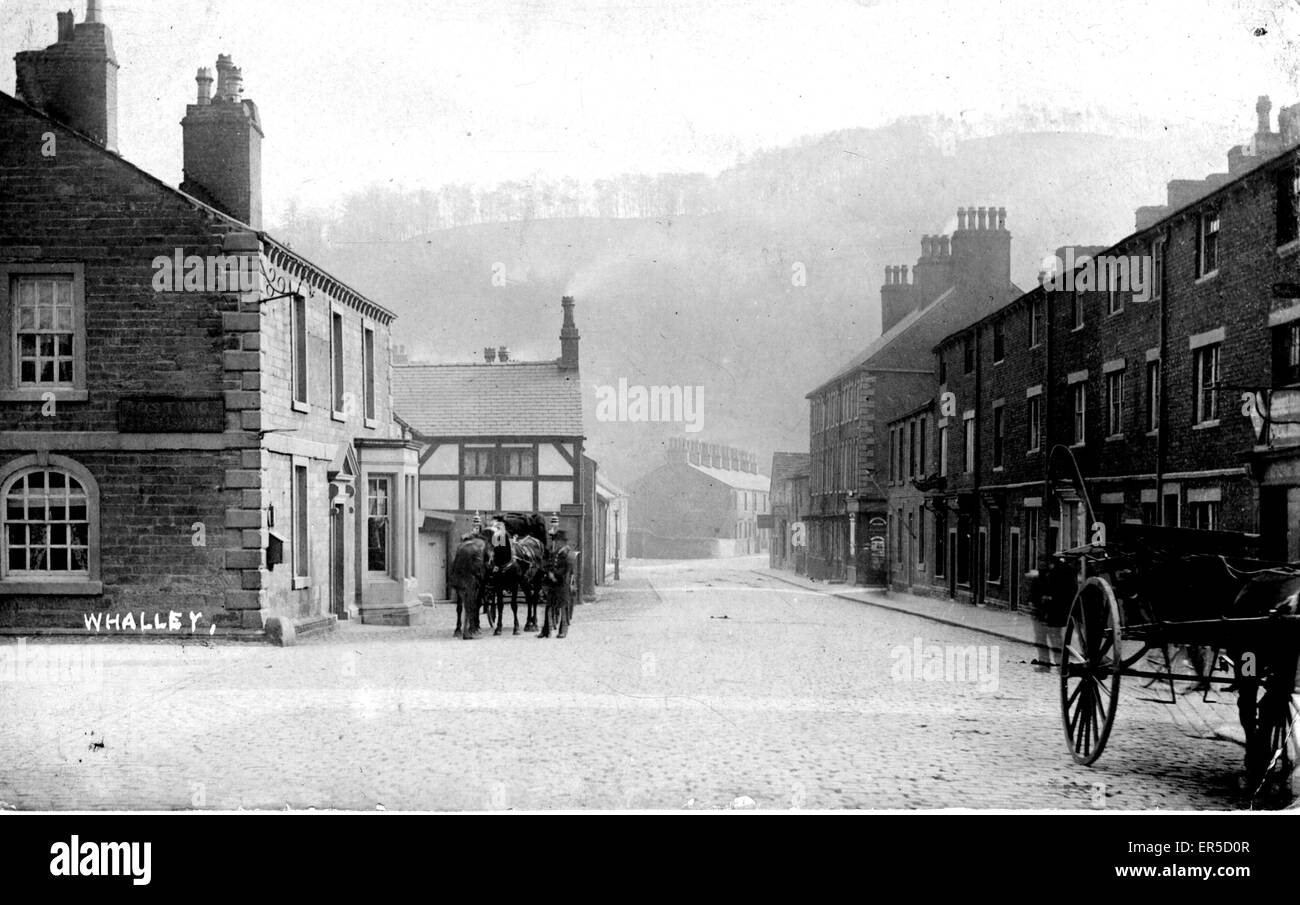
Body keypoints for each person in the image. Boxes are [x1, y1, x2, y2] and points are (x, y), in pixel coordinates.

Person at [1028, 554, 1070, 672]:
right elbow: (1033, 591)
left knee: (1055, 639)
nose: (1041, 564)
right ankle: (1044, 664)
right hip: (1039, 612)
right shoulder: (1040, 575)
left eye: (1043, 562)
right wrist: (1032, 602)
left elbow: (1062, 592)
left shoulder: (1056, 574)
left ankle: (1059, 665)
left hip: (1053, 612)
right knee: (1040, 639)